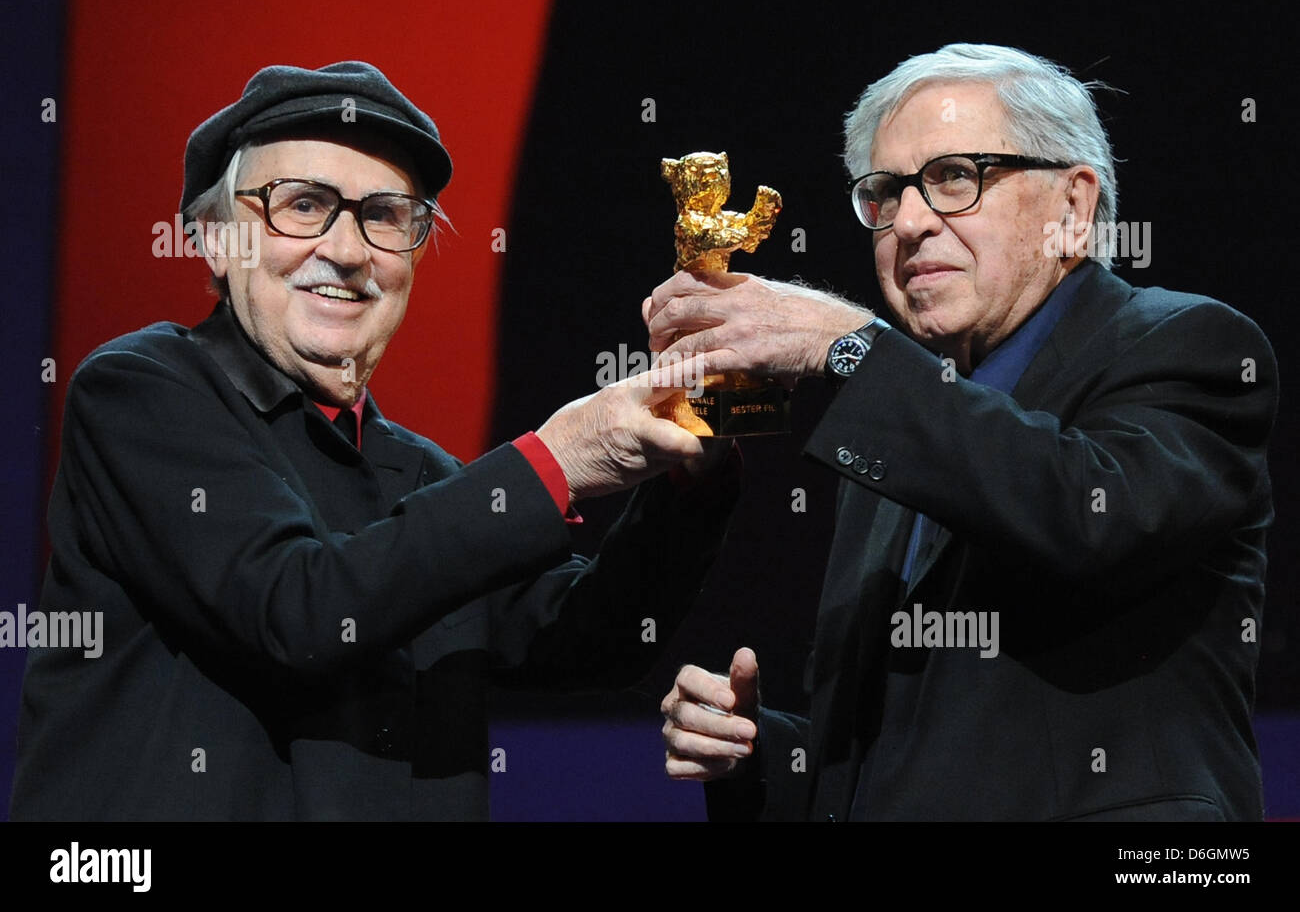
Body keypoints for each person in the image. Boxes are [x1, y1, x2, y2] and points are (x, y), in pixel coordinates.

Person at [11, 61, 737, 820]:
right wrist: (554, 459)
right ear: (216, 241)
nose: (350, 251)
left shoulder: (419, 472)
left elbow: (592, 640)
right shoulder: (140, 391)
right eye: (303, 204)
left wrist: (691, 471)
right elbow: (295, 608)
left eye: (386, 215)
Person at [652, 43, 1277, 820]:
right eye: (884, 192)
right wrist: (758, 756)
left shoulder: (1191, 347)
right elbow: (914, 753)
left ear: (1073, 207)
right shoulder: (892, 428)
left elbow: (1084, 515)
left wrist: (848, 344)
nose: (909, 222)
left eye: (955, 177)